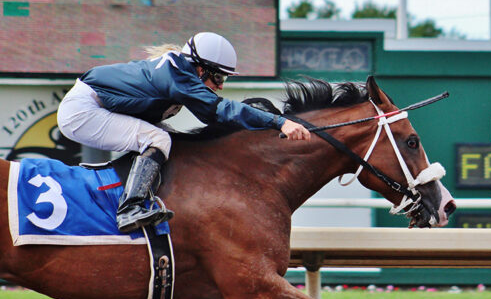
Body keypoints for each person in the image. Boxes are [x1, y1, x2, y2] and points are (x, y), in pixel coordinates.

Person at [57, 32, 311, 233]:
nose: (220, 86)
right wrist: (279, 122)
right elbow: (220, 109)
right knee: (158, 138)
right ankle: (129, 209)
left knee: (173, 141)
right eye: (218, 77)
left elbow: (211, 115)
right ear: (200, 69)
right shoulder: (177, 75)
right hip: (82, 111)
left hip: (92, 104)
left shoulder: (180, 70)